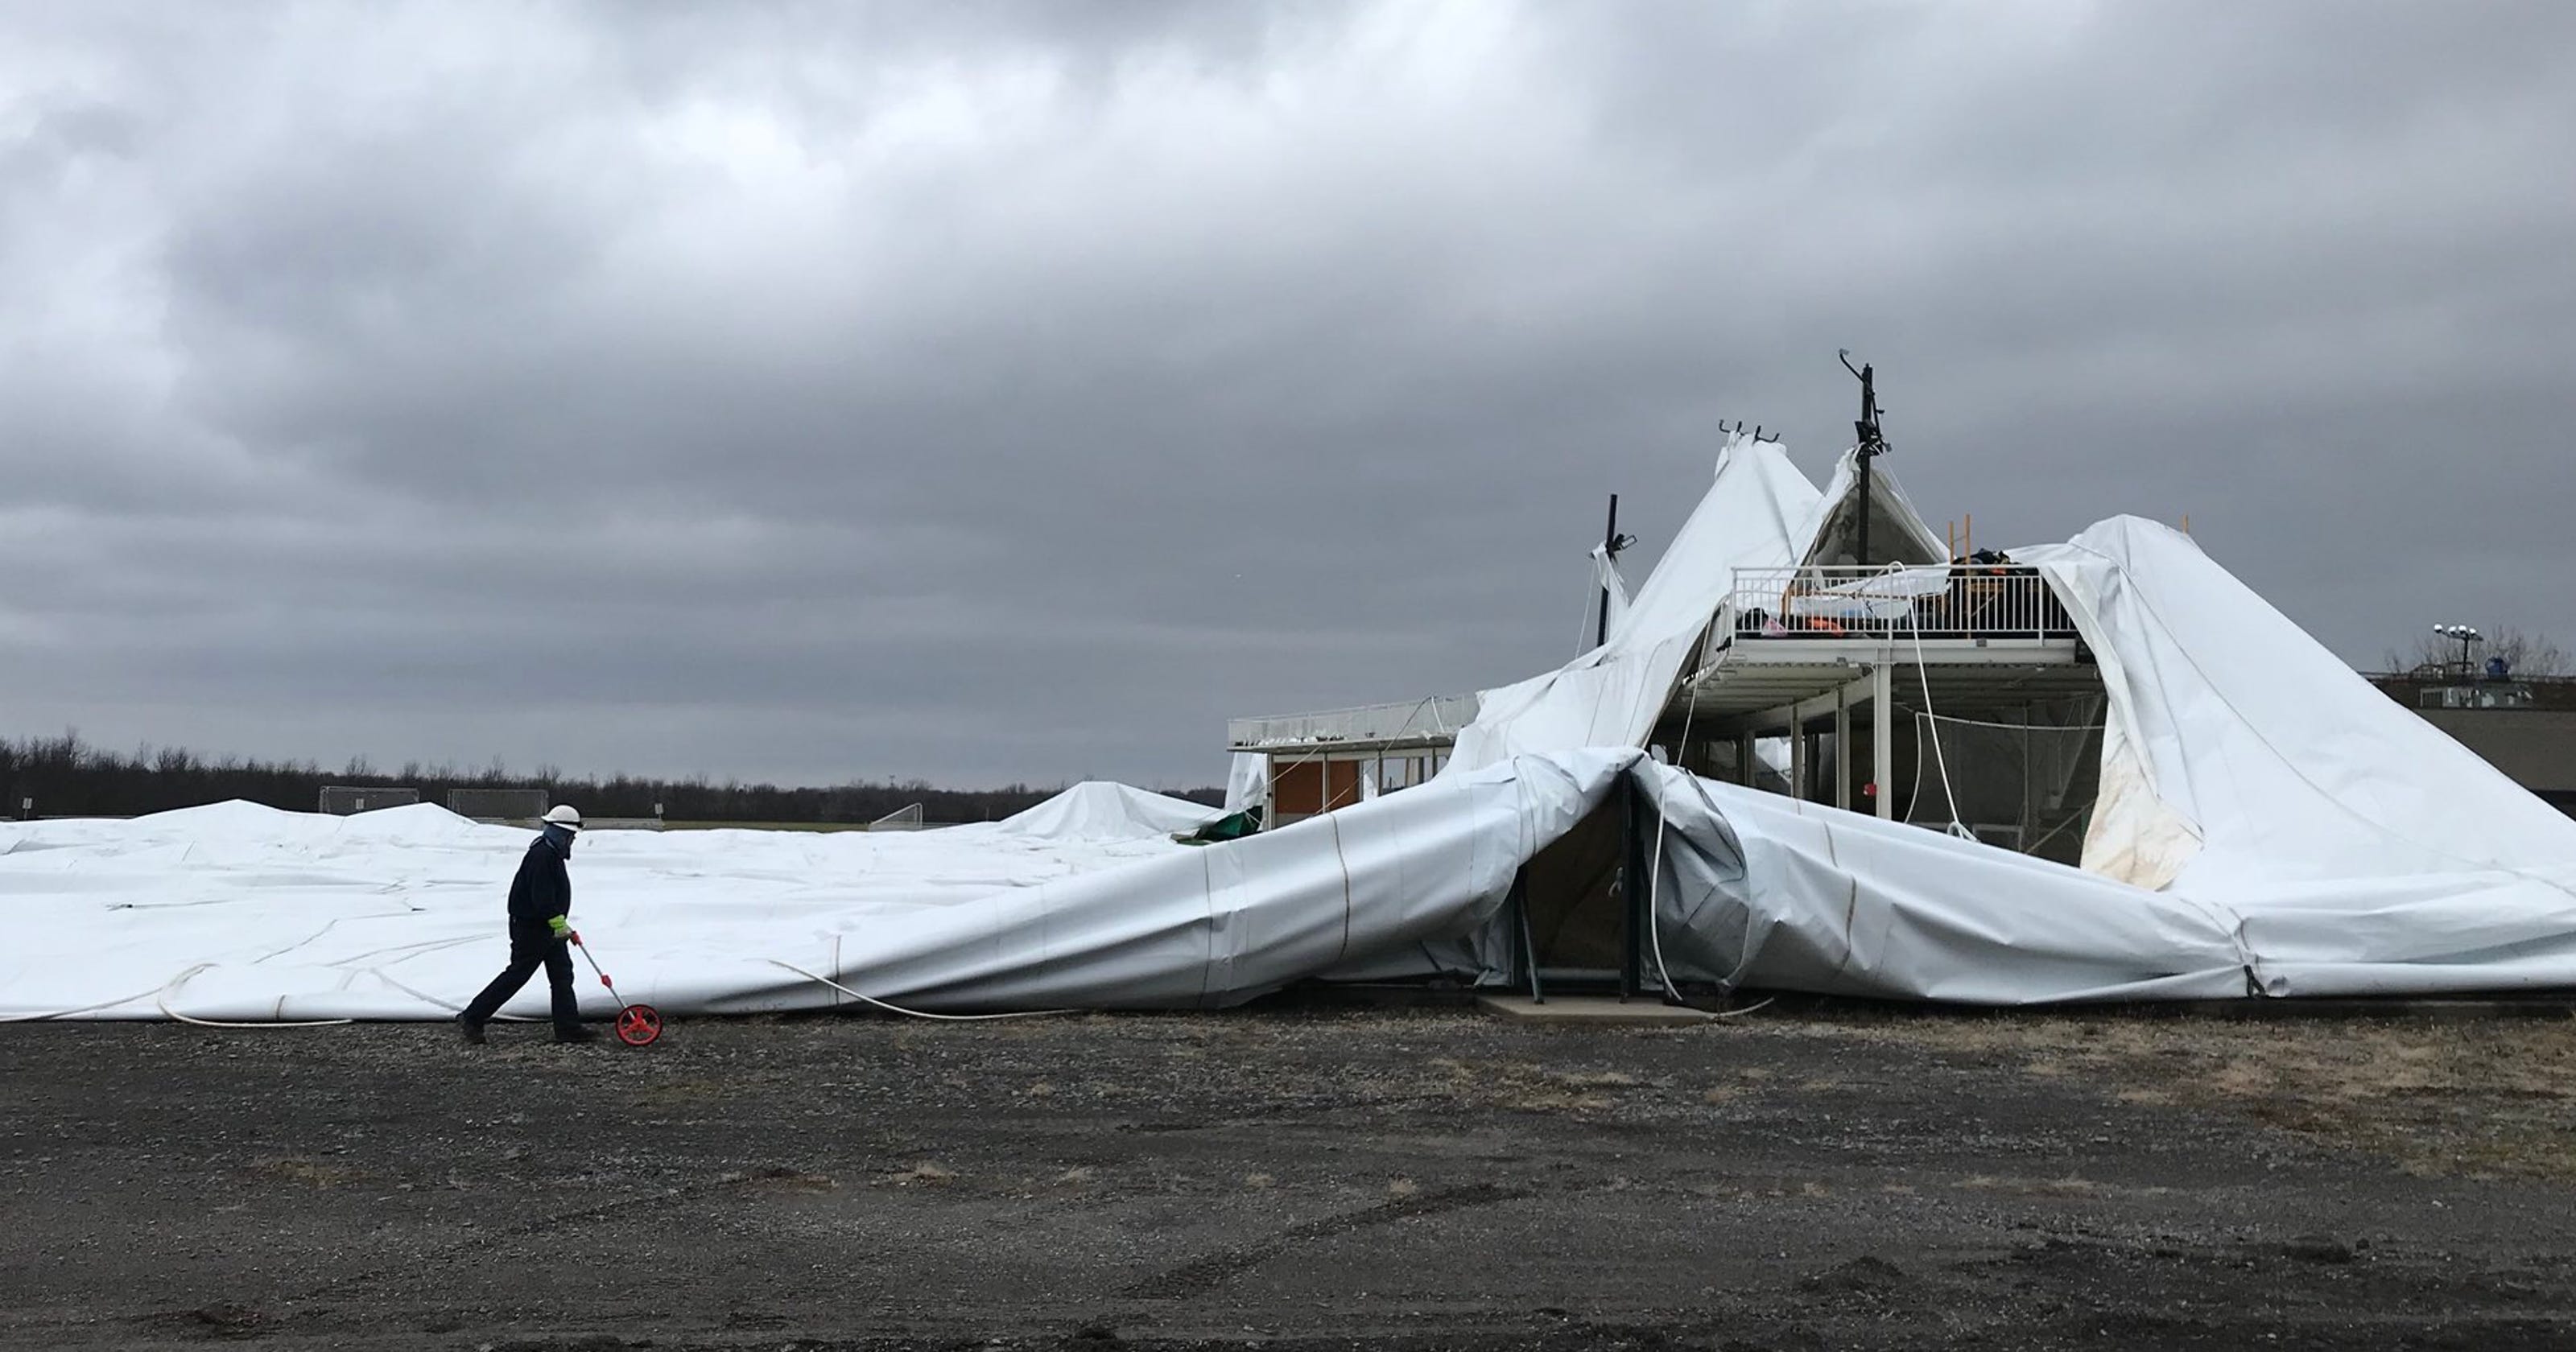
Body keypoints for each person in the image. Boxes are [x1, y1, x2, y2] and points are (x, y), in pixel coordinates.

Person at [457, 805, 596, 1045]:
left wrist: (560, 925)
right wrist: (558, 923)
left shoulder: (550, 853)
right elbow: (541, 897)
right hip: (532, 928)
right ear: (562, 833)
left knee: (562, 975)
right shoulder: (542, 856)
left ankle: (568, 1028)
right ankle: (472, 1016)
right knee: (518, 974)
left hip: (549, 927)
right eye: (571, 836)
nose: (573, 840)